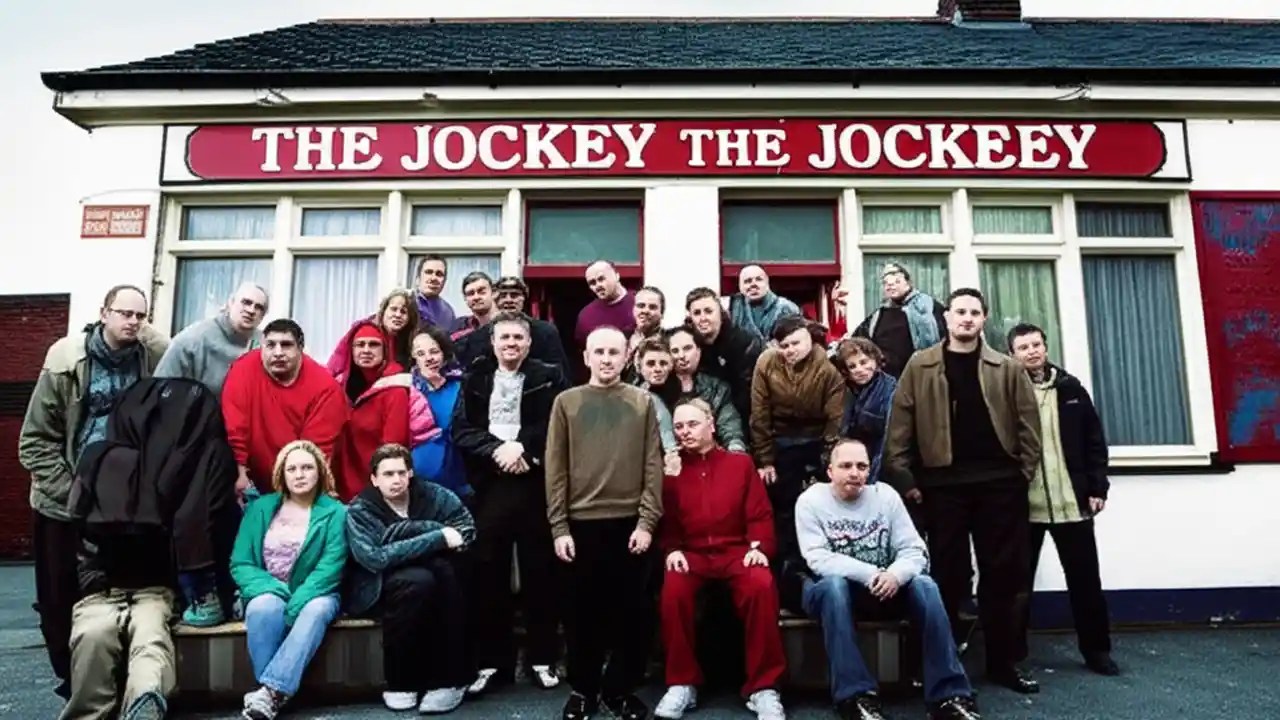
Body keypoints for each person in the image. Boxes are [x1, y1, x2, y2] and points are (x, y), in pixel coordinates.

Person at [885, 288, 1042, 694]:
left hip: (999, 486)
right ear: (947, 318)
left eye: (974, 312)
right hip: (943, 488)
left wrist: (1021, 474)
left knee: (1002, 576)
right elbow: (899, 426)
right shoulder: (920, 366)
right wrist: (905, 479)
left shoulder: (1007, 368)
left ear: (984, 319)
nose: (967, 318)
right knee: (949, 577)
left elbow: (1029, 427)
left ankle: (1002, 663)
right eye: (960, 311)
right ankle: (943, 662)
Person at [18, 283, 169, 698]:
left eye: (140, 315)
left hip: (126, 503)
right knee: (58, 598)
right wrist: (73, 496)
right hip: (63, 502)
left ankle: (119, 683)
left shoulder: (153, 357)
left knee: (118, 593)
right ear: (104, 313)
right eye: (125, 314)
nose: (133, 322)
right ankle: (71, 681)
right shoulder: (67, 361)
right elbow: (34, 442)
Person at [60, 375, 238, 720]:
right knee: (93, 636)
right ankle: (89, 712)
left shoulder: (194, 472)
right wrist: (93, 581)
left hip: (154, 589)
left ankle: (145, 703)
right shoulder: (104, 461)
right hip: (104, 588)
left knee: (151, 639)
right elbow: (78, 534)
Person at [798, 439, 980, 720]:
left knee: (925, 585)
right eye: (845, 466)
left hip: (885, 588)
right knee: (834, 586)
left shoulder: (886, 497)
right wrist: (871, 574)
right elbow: (818, 558)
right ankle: (855, 696)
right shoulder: (811, 501)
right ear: (830, 471)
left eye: (862, 466)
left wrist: (895, 574)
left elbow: (915, 550)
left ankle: (949, 696)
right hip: (833, 593)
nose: (855, 473)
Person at [546, 326, 664, 720]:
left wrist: (647, 522)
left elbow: (653, 464)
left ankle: (619, 690)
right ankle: (583, 690)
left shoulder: (641, 403)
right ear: (586, 357)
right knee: (581, 615)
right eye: (599, 352)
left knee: (634, 615)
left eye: (614, 351)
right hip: (581, 525)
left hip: (630, 524)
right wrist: (559, 527)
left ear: (627, 356)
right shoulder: (567, 403)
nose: (607, 359)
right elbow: (555, 469)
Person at [452, 312, 570, 694]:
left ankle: (542, 658)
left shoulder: (549, 375)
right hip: (491, 486)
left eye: (518, 338)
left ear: (529, 342)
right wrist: (498, 450)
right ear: (492, 341)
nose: (511, 344)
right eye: (504, 338)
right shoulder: (474, 379)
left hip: (535, 482)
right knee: (489, 574)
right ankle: (491, 663)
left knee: (541, 574)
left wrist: (524, 448)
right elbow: (462, 431)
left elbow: (557, 424)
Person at [655, 400, 787, 720]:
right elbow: (666, 521)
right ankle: (682, 683)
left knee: (760, 585)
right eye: (679, 427)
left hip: (736, 551)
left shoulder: (739, 464)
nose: (685, 432)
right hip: (693, 553)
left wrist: (759, 548)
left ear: (711, 425)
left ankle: (763, 687)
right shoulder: (670, 469)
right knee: (673, 591)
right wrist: (672, 549)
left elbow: (759, 514)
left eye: (692, 424)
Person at [1007, 323, 1119, 676]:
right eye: (1023, 347)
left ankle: (1097, 651)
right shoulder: (1007, 393)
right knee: (1016, 585)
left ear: (1046, 346)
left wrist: (1098, 488)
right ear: (1013, 354)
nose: (1032, 352)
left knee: (1086, 583)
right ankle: (1013, 654)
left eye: (1036, 344)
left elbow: (1094, 442)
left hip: (1073, 504)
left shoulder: (1071, 389)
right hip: (1026, 507)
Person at [346, 444, 477, 713]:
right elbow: (374, 558)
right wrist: (437, 536)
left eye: (401, 473)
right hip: (379, 585)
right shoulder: (361, 510)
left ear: (410, 474)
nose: (395, 480)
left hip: (439, 577)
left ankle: (450, 680)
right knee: (418, 582)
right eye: (388, 474)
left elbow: (465, 530)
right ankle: (402, 681)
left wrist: (402, 534)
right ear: (374, 478)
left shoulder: (433, 495)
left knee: (443, 574)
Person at [230, 441, 349, 720]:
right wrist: (276, 590)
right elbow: (241, 563)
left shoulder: (336, 512)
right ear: (281, 474)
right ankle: (274, 691)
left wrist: (294, 605)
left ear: (320, 471)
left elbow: (330, 567)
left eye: (307, 467)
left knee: (316, 609)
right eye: (291, 468)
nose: (299, 474)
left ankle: (269, 692)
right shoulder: (259, 508)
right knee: (263, 607)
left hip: (319, 592)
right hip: (267, 588)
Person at [750, 315, 845, 575]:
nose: (790, 350)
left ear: (809, 339)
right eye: (784, 345)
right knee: (782, 506)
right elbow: (759, 413)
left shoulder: (828, 368)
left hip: (815, 439)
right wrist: (765, 460)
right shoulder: (766, 362)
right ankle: (785, 570)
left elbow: (835, 421)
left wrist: (829, 461)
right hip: (780, 438)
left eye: (795, 343)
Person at [221, 319, 349, 496]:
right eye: (270, 345)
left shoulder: (326, 387)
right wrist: (240, 473)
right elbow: (235, 427)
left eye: (286, 345)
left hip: (299, 479)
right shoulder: (243, 369)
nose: (278, 352)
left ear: (300, 348)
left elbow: (314, 451)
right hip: (249, 478)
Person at [331, 321, 431, 502]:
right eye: (360, 344)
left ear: (385, 350)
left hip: (376, 493)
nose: (366, 350)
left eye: (374, 344)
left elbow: (393, 448)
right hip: (337, 491)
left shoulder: (395, 390)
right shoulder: (338, 387)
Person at [155, 281, 269, 396]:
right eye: (246, 302)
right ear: (231, 303)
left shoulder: (267, 346)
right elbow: (160, 392)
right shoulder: (192, 341)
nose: (251, 310)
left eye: (259, 307)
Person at [405, 325, 472, 500]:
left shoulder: (461, 386)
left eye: (434, 351)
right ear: (414, 358)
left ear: (444, 353)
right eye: (421, 354)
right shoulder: (406, 391)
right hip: (416, 481)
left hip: (458, 479)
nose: (428, 358)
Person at [849, 262, 947, 379]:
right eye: (886, 283)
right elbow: (858, 340)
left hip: (920, 376)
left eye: (896, 281)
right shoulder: (879, 314)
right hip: (886, 380)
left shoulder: (929, 307)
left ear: (908, 283)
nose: (891, 286)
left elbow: (945, 337)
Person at [685, 287, 762, 430]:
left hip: (740, 418)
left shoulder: (743, 342)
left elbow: (748, 393)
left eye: (708, 311)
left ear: (720, 313)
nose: (703, 318)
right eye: (697, 313)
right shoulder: (688, 343)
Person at [456, 276, 569, 372]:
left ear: (524, 298)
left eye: (514, 295)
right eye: (503, 296)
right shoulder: (478, 337)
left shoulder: (545, 332)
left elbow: (560, 373)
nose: (508, 300)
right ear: (494, 299)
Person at [666, 327, 749, 454]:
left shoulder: (717, 387)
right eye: (675, 351)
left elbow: (730, 426)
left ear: (698, 351)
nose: (681, 356)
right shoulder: (659, 388)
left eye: (687, 348)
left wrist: (735, 449)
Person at [833, 337, 898, 485]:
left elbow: (888, 438)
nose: (859, 370)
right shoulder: (845, 391)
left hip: (880, 462)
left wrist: (872, 477)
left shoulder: (890, 389)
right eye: (852, 366)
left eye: (864, 362)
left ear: (875, 361)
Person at [326, 288, 421, 375]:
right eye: (393, 309)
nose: (397, 315)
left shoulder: (406, 340)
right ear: (384, 311)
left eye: (403, 312)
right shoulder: (364, 331)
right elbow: (338, 361)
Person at [728, 265, 801, 344]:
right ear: (740, 286)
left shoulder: (786, 308)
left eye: (759, 279)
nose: (753, 284)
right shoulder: (733, 308)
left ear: (767, 282)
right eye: (747, 281)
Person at [576, 261, 637, 347]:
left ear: (617, 276)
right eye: (592, 283)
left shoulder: (640, 302)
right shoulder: (586, 316)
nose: (598, 285)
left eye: (601, 279)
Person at [414, 254, 458, 330]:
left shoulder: (448, 313)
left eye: (439, 274)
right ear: (418, 277)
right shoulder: (406, 303)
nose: (433, 278)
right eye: (428, 272)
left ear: (444, 282)